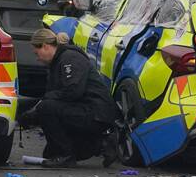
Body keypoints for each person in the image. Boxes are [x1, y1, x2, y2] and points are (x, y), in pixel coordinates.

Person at [18, 29, 120, 167]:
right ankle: (100, 144)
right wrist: (31, 116)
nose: (38, 58)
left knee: (46, 108)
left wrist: (40, 106)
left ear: (45, 46)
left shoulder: (69, 59)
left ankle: (66, 155)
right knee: (49, 154)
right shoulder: (56, 63)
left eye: (37, 53)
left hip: (96, 113)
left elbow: (72, 91)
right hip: (84, 110)